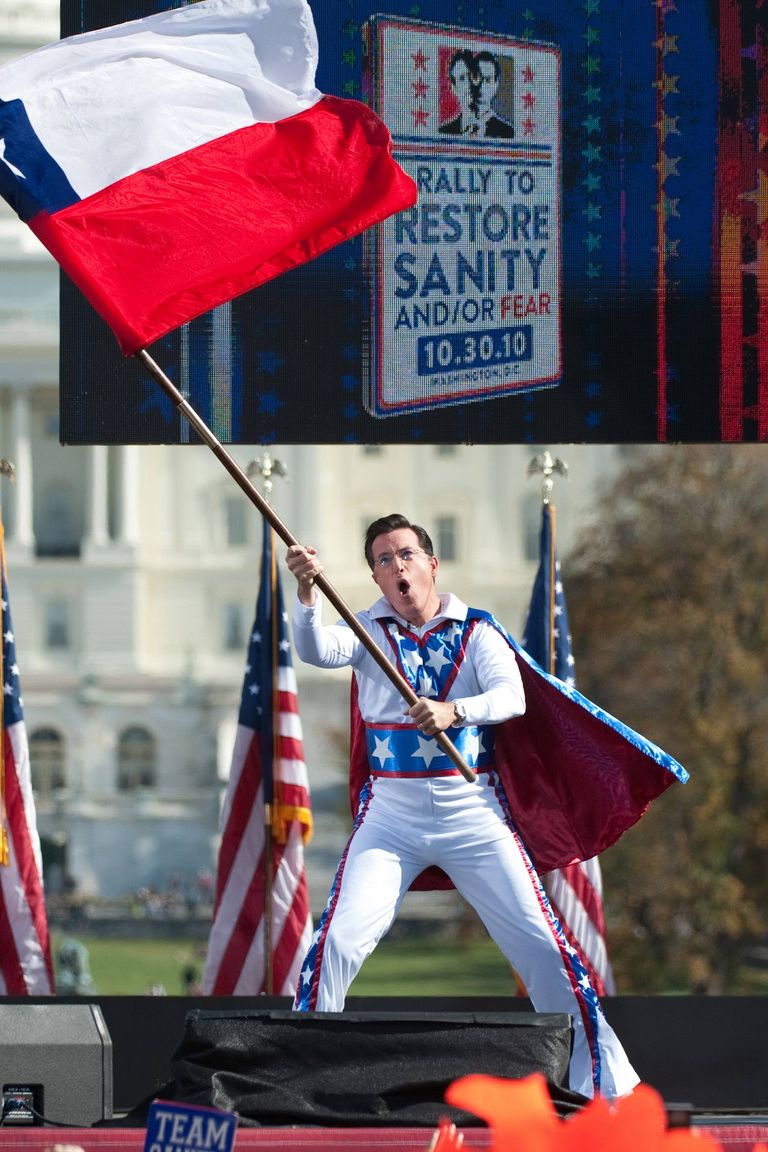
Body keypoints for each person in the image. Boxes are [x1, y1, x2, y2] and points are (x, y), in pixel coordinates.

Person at [285, 513, 682, 1099]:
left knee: (544, 947)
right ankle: (295, 1081)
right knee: (336, 942)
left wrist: (453, 711)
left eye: (405, 555)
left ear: (431, 563)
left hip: (474, 813)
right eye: (383, 560)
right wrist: (306, 591)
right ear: (373, 575)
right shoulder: (366, 631)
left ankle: (608, 1088)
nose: (396, 567)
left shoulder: (475, 630)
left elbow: (513, 696)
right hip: (392, 815)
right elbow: (317, 649)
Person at [472, 51, 515, 139]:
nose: (481, 86)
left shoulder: (507, 132)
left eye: (487, 80)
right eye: (478, 78)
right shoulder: (451, 127)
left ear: (495, 85)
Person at [439, 49, 480, 136]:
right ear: (454, 89)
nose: (469, 83)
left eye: (472, 76)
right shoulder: (444, 132)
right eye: (462, 78)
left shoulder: (503, 130)